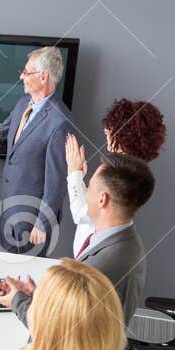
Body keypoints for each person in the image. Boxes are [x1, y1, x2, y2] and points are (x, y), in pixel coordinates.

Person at [0, 154, 153, 350]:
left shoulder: (102, 266)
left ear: (103, 199)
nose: (86, 192)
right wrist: (42, 296)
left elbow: (55, 330)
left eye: (89, 186)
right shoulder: (126, 242)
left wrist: (18, 300)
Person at [0, 46, 74, 254]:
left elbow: (56, 182)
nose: (22, 76)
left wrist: (42, 223)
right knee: (4, 274)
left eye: (27, 72)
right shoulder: (23, 104)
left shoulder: (59, 122)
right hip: (5, 208)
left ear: (44, 77)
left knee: (23, 279)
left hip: (30, 220)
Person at [64, 97, 167, 254]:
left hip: (93, 254)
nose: (106, 132)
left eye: (110, 129)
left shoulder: (114, 171)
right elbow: (97, 206)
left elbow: (81, 214)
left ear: (123, 136)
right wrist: (83, 182)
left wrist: (74, 173)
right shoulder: (137, 173)